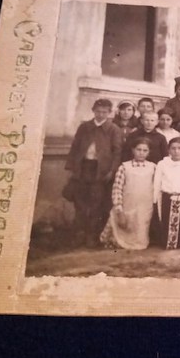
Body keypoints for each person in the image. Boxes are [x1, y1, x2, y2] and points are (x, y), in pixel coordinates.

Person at [65, 99, 122, 247]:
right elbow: (75, 146)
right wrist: (71, 167)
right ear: (93, 111)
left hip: (100, 171)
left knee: (96, 204)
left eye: (104, 112)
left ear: (110, 113)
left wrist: (112, 170)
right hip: (83, 168)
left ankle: (92, 236)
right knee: (80, 203)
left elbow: (117, 152)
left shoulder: (113, 129)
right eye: (98, 111)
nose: (101, 114)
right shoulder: (85, 127)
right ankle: (79, 235)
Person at [100, 138, 156, 250]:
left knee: (140, 239)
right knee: (122, 227)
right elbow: (117, 189)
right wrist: (119, 208)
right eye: (138, 149)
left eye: (145, 150)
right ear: (133, 150)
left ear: (149, 152)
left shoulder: (153, 167)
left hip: (145, 206)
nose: (141, 153)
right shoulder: (124, 167)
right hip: (128, 204)